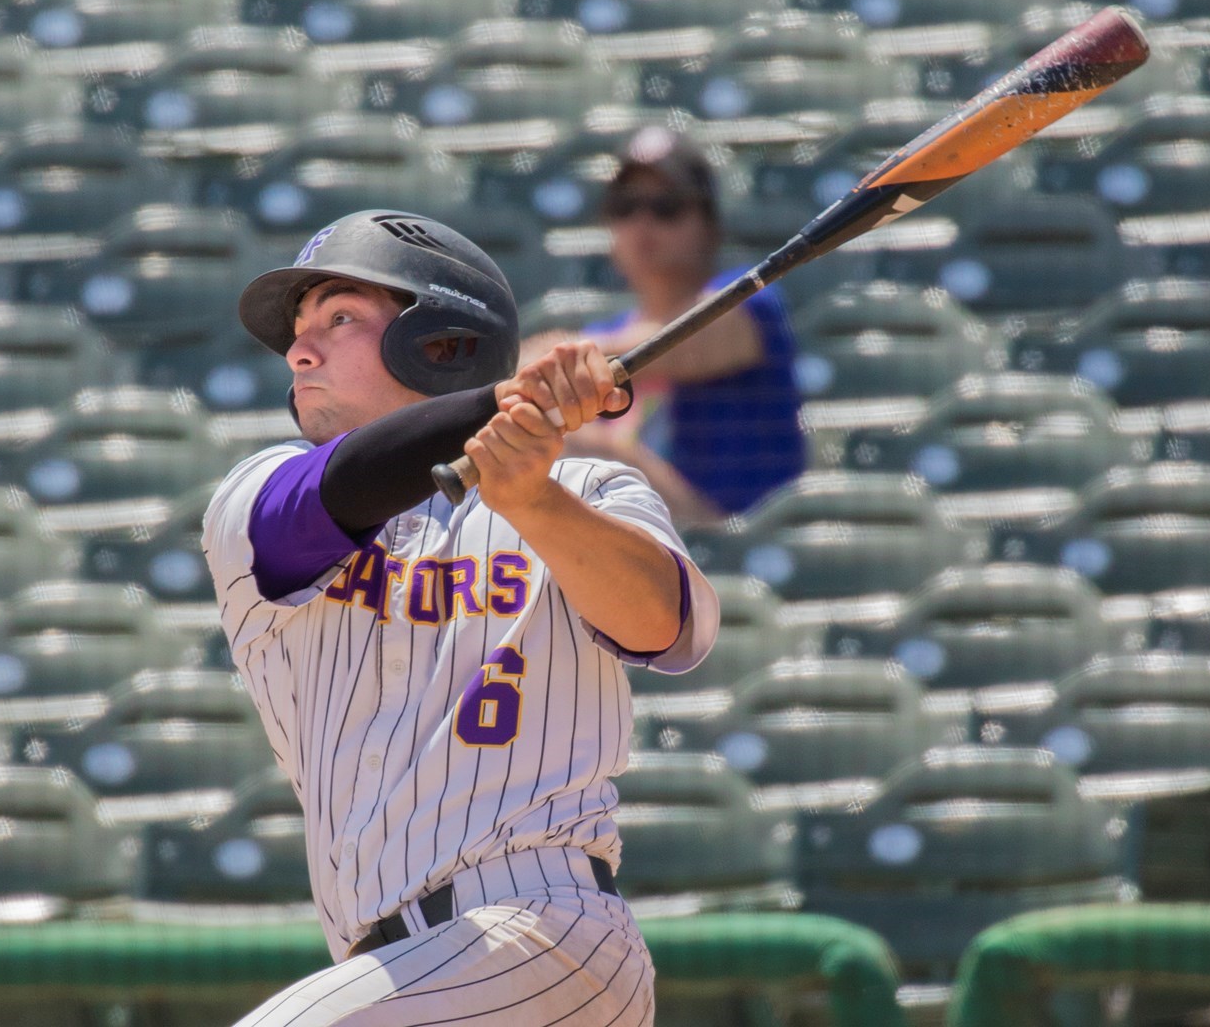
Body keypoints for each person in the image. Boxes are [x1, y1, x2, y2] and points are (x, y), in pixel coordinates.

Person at [201, 209, 720, 1026]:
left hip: (541, 936)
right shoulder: (254, 494)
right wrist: (504, 403)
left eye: (339, 319)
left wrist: (533, 500)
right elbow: (328, 499)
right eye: (299, 331)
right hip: (400, 971)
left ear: (441, 343)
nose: (300, 351)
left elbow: (660, 625)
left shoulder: (589, 492)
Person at [540, 126, 806, 526]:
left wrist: (543, 363)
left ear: (710, 225)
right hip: (639, 548)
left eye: (667, 206)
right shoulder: (605, 331)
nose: (643, 222)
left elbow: (678, 344)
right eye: (625, 206)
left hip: (740, 544)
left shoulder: (751, 298)